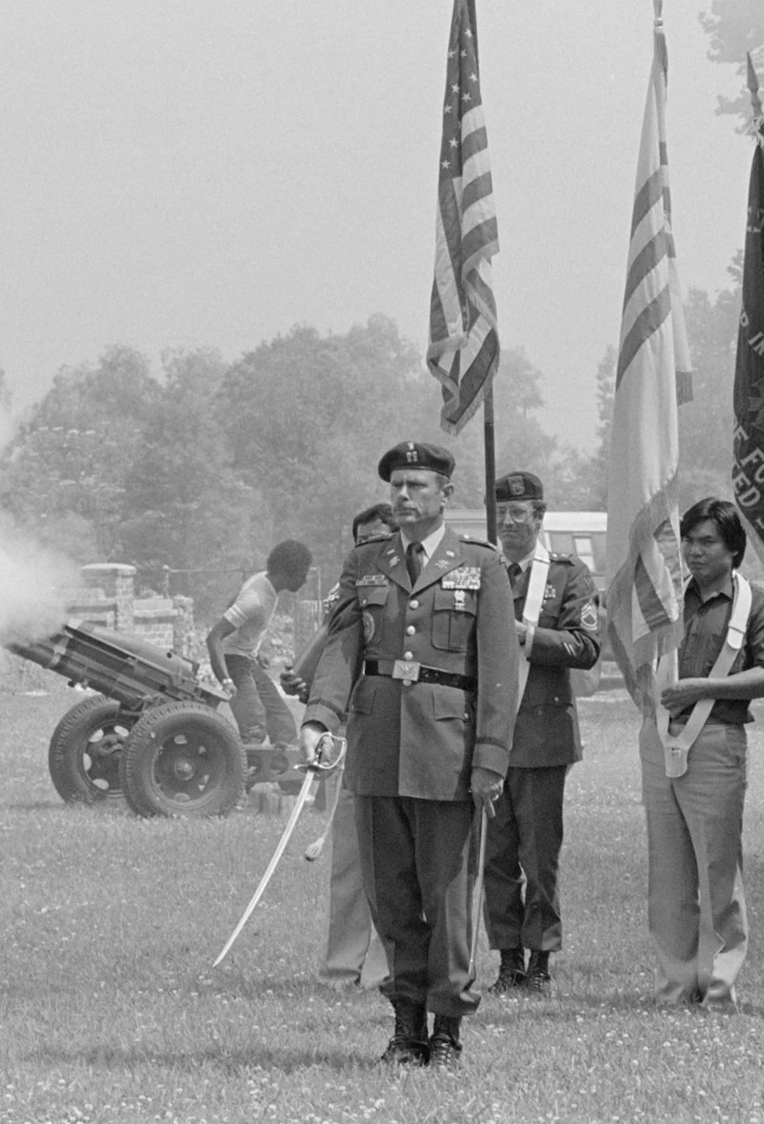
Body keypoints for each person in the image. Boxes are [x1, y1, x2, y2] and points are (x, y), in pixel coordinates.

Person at [299, 441, 519, 1069]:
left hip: (449, 755)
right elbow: (344, 649)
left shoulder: (481, 565)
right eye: (397, 485)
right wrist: (319, 719)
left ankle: (447, 1030)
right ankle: (406, 1027)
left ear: (446, 494)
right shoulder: (366, 561)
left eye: (417, 485)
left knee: (448, 900)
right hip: (376, 748)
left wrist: (491, 759)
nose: (403, 496)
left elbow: (500, 670)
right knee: (390, 898)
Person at [639, 497, 764, 1011]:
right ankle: (676, 984)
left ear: (733, 550)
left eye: (707, 543)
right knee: (668, 872)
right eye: (689, 541)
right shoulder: (666, 599)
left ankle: (719, 984)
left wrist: (703, 686)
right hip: (659, 738)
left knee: (717, 870)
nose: (694, 552)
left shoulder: (758, 604)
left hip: (716, 741)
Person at [484, 470, 600, 996]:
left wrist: (529, 635)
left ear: (539, 516)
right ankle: (506, 958)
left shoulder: (567, 576)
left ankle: (541, 959)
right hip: (487, 736)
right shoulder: (479, 570)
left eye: (520, 514)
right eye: (502, 514)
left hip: (542, 735)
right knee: (495, 856)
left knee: (540, 856)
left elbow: (587, 646)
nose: (509, 523)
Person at [282, 504, 394, 990]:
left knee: (397, 863)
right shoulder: (349, 591)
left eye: (380, 539)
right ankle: (341, 966)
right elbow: (333, 642)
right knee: (349, 858)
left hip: (405, 734)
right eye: (362, 541)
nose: (370, 549)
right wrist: (306, 682)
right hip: (353, 731)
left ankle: (385, 969)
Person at [207, 540, 313, 746]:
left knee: (284, 726)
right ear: (287, 572)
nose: (306, 580)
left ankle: (290, 777)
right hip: (234, 663)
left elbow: (233, 607)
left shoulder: (263, 582)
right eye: (303, 574)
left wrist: (254, 647)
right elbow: (213, 638)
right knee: (254, 729)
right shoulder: (255, 599)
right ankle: (234, 776)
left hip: (246, 660)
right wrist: (226, 680)